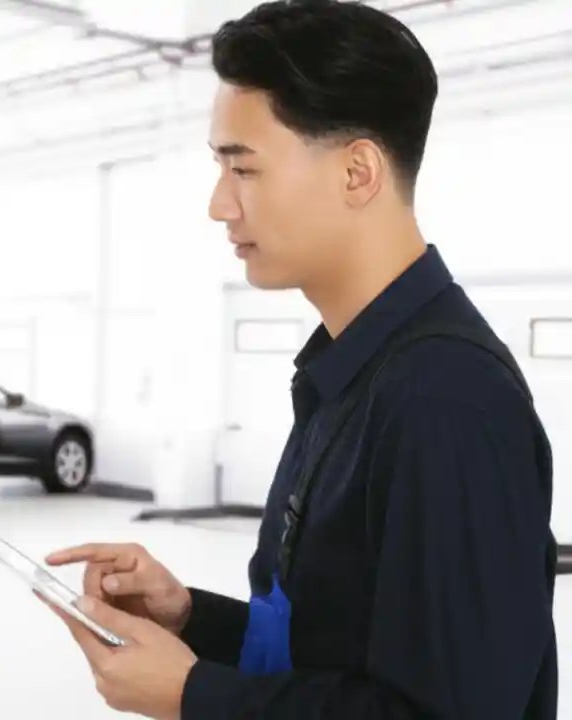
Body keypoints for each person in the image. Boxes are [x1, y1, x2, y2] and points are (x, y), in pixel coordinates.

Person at [43, 1, 559, 718]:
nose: (219, 205)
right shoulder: (348, 376)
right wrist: (188, 615)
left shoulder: (444, 400)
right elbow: (329, 646)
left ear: (357, 173)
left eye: (243, 167)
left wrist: (195, 695)